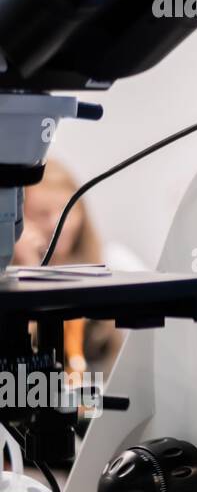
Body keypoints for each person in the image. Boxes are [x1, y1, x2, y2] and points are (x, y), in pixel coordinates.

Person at [11, 160, 124, 377]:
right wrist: (29, 266)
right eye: (42, 213)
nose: (58, 222)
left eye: (66, 210)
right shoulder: (10, 276)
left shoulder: (114, 261)